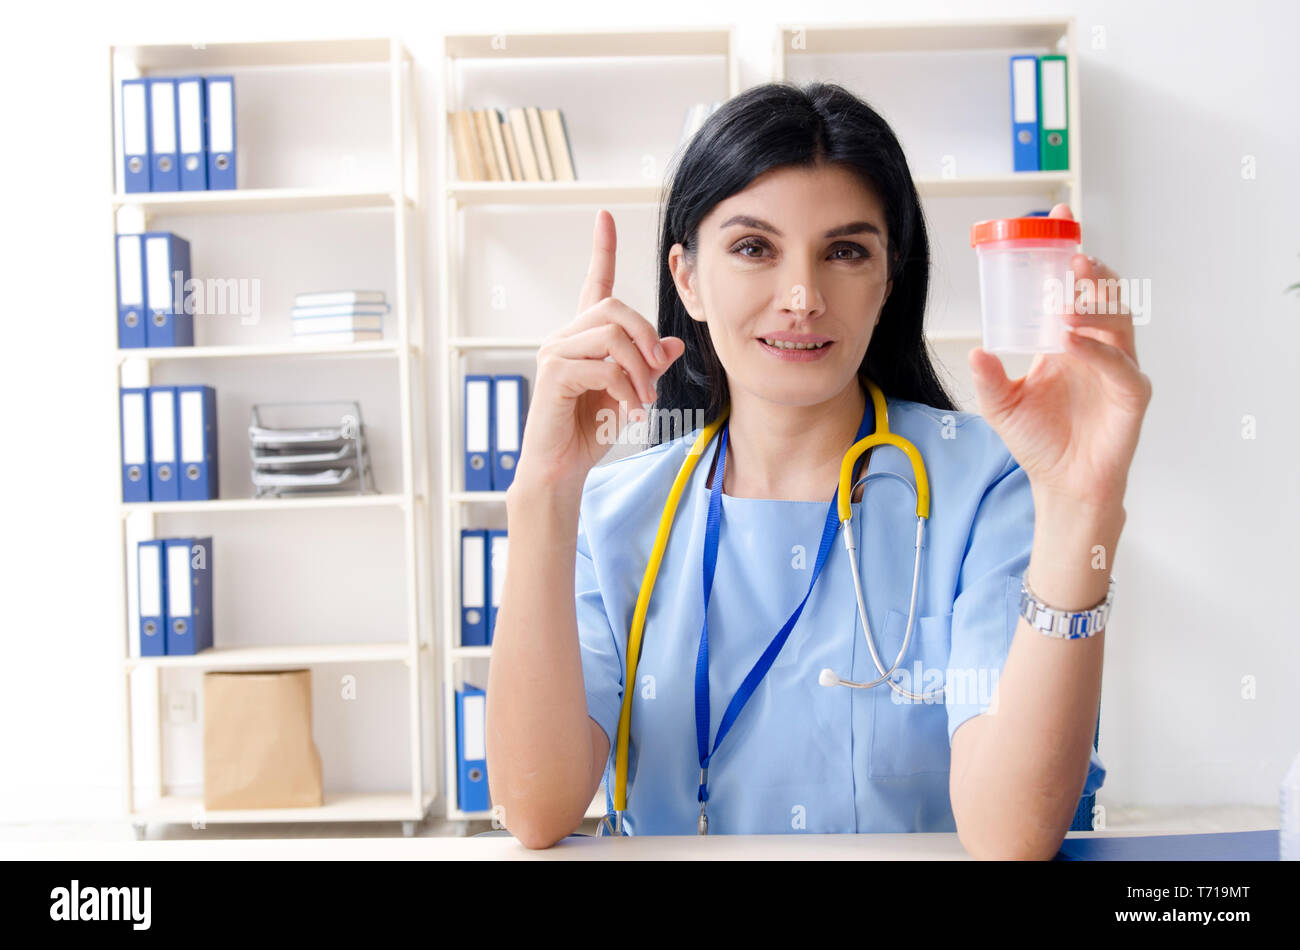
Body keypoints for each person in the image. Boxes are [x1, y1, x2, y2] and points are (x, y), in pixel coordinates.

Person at [485, 81, 1151, 856]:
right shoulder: (610, 510)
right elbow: (535, 809)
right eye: (752, 248)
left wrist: (1082, 510)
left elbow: (1013, 834)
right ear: (688, 278)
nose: (801, 298)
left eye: (844, 251)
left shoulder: (987, 483)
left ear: (887, 281)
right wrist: (543, 492)